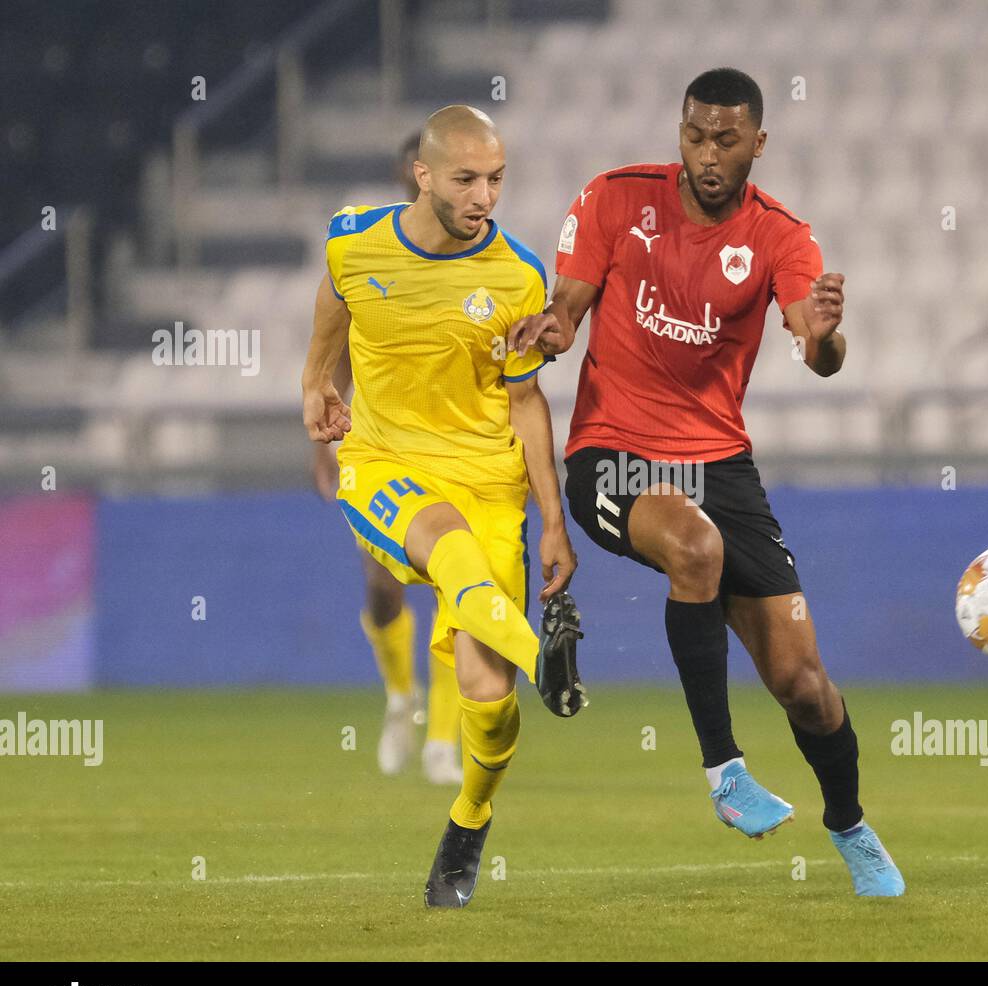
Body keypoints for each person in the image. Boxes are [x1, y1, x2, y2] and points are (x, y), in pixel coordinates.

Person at [509, 68, 903, 896]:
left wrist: (830, 337)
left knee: (807, 688)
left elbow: (818, 354)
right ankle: (724, 771)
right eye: (695, 136)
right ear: (679, 132)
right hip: (612, 456)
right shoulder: (616, 200)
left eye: (726, 140)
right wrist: (548, 330)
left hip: (719, 465)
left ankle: (850, 826)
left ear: (758, 143)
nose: (707, 154)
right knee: (694, 548)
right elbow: (565, 315)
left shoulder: (783, 238)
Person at [303, 105, 587, 909]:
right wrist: (313, 382)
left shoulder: (518, 276)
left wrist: (554, 522)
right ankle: (546, 659)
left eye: (496, 179)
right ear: (422, 176)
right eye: (467, 179)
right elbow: (335, 298)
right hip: (385, 463)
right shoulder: (356, 238)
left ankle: (468, 821)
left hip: (488, 480)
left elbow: (526, 402)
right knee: (449, 548)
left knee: (487, 705)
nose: (484, 196)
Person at [310, 131, 461, 785]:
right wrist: (323, 444)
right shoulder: (370, 251)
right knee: (383, 587)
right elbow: (332, 356)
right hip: (379, 450)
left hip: (458, 451)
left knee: (461, 592)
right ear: (413, 171)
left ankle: (444, 744)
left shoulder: (486, 257)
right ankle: (402, 698)